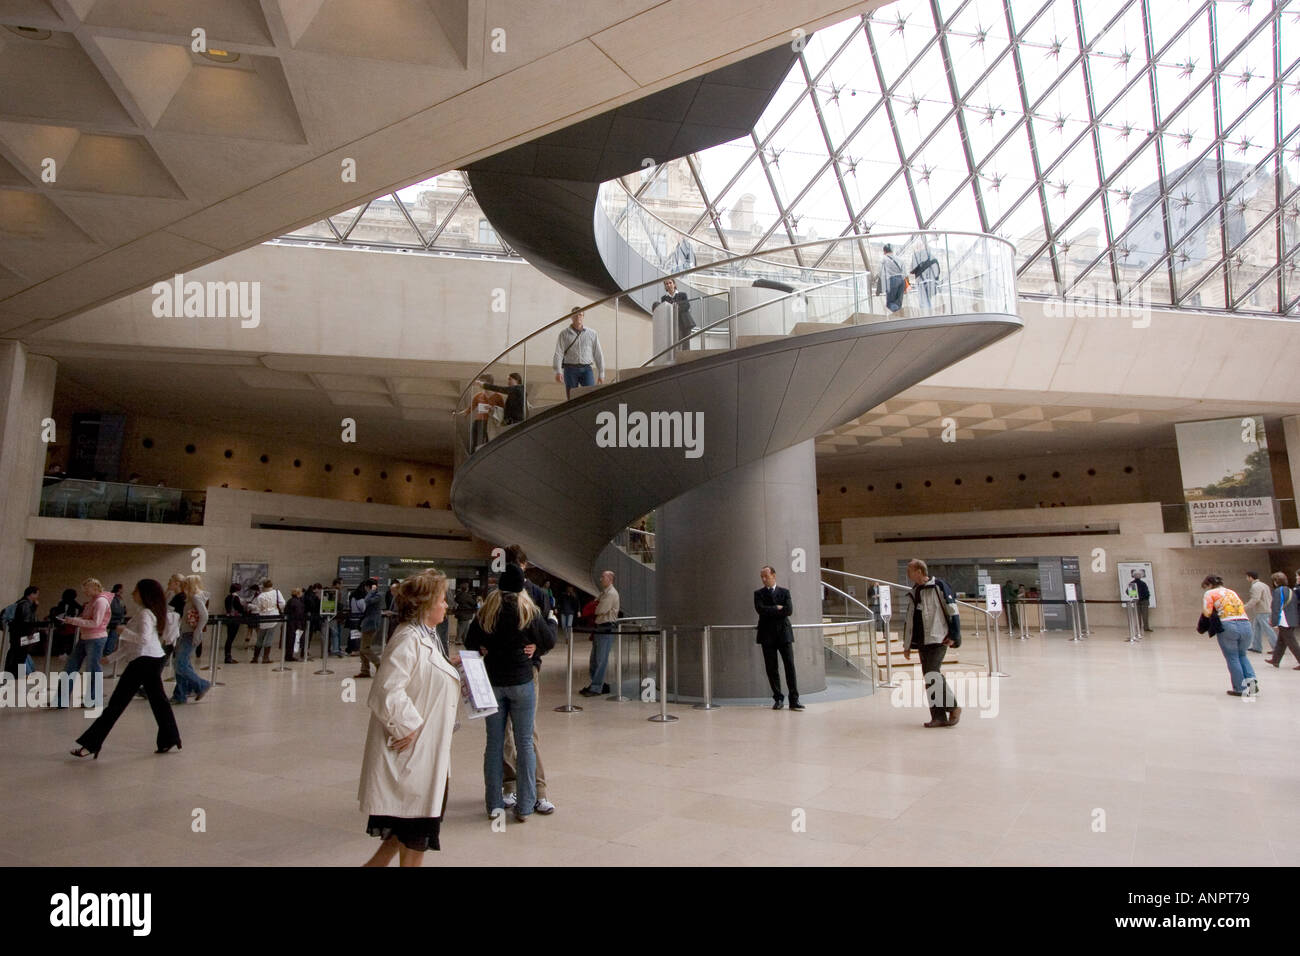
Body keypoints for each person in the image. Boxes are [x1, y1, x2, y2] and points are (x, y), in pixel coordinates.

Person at [358, 570, 461, 866]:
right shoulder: (407, 637)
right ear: (427, 604)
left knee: (406, 833)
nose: (446, 606)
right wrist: (408, 727)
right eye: (442, 600)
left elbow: (423, 673)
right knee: (416, 833)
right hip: (413, 755)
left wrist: (449, 666)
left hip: (426, 755)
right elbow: (386, 689)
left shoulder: (426, 635)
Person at [461, 564, 556, 822]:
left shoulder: (487, 612)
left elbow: (469, 641)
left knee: (494, 743)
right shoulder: (527, 611)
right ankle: (525, 806)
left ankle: (494, 804)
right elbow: (548, 641)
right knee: (525, 742)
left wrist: (483, 648)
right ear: (521, 587)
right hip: (522, 681)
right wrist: (535, 644)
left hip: (493, 683)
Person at [71, 579, 182, 759]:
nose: (132, 594)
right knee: (158, 701)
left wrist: (123, 631)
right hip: (152, 659)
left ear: (144, 594)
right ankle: (170, 738)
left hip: (144, 661)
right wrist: (111, 657)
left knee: (117, 704)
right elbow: (135, 644)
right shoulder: (147, 612)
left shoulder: (145, 614)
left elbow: (142, 640)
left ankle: (91, 744)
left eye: (136, 591)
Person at [500, 546, 556, 815]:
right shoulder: (536, 594)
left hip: (506, 672)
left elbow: (479, 634)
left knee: (508, 733)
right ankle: (534, 791)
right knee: (526, 733)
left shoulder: (499, 594)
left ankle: (512, 787)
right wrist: (539, 647)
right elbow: (548, 633)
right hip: (525, 670)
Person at [901, 558, 963, 727]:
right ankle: (938, 716)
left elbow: (952, 610)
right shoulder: (914, 591)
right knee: (929, 677)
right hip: (923, 641)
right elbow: (910, 620)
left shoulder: (938, 586)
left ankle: (953, 707)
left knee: (932, 673)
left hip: (939, 637)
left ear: (919, 571)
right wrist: (907, 645)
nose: (908, 573)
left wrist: (955, 635)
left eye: (910, 570)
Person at [55, 578, 112, 708]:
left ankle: (93, 699)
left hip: (95, 638)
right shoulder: (92, 601)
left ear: (95, 587)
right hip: (86, 637)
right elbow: (87, 619)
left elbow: (95, 623)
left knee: (92, 669)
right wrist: (72, 620)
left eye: (87, 588)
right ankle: (60, 700)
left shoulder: (100, 601)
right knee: (70, 667)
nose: (84, 591)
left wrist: (73, 621)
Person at [1200, 575, 1257, 696]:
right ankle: (1252, 687)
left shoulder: (1210, 593)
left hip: (1228, 625)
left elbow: (1207, 612)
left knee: (1232, 657)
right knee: (1242, 655)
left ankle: (1240, 689)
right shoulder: (1232, 592)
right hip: (1245, 623)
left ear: (1209, 585)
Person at [754, 565, 802, 711]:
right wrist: (777, 608)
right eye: (761, 577)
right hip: (767, 635)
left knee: (789, 666)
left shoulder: (784, 592)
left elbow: (789, 610)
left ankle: (794, 700)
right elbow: (760, 610)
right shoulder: (758, 593)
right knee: (771, 668)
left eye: (766, 576)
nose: (763, 579)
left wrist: (773, 610)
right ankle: (778, 698)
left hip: (784, 634)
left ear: (773, 575)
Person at [171, 575, 211, 703]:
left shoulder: (195, 597)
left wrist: (197, 631)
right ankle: (180, 694)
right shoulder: (193, 597)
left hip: (190, 633)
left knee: (180, 663)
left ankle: (201, 684)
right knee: (182, 662)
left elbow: (204, 615)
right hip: (186, 632)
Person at [579, 570, 619, 697]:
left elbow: (600, 609)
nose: (601, 579)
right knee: (594, 659)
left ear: (610, 579)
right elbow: (595, 605)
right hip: (599, 628)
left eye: (603, 577)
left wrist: (594, 607)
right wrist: (594, 606)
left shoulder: (611, 594)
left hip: (606, 628)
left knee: (601, 659)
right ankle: (597, 683)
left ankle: (597, 687)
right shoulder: (604, 593)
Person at [552, 307, 605, 398]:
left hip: (587, 369)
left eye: (580, 314)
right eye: (575, 314)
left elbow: (598, 353)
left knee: (590, 396)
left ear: (583, 316)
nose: (578, 317)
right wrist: (558, 371)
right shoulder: (564, 334)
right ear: (571, 317)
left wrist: (601, 373)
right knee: (571, 397)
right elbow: (559, 353)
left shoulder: (592, 333)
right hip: (570, 369)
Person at [3, 586, 43, 677]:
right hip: (22, 633)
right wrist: (29, 633)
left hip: (15, 632)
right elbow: (27, 620)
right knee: (21, 655)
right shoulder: (26, 605)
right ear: (32, 594)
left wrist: (35, 606)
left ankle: (11, 673)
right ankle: (17, 674)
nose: (37, 596)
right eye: (37, 594)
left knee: (15, 652)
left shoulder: (21, 603)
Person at [1265, 571, 1300, 668]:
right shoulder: (1290, 590)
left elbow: (1276, 607)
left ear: (1276, 582)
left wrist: (1274, 622)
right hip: (1292, 619)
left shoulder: (1278, 591)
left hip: (1284, 620)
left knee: (1291, 642)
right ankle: (1275, 660)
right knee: (1281, 641)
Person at [354, 579, 384, 679]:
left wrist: (371, 591)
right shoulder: (373, 594)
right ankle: (365, 670)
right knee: (362, 648)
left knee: (364, 648)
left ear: (368, 587)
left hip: (371, 624)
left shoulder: (378, 595)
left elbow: (366, 601)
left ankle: (379, 664)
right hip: (366, 624)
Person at [468, 374, 505, 453]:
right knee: (475, 443)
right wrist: (459, 414)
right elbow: (469, 409)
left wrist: (492, 409)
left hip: (490, 423)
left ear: (489, 383)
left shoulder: (498, 396)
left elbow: (503, 412)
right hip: (478, 422)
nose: (480, 384)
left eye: (482, 382)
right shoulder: (478, 396)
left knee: (488, 444)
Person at [252, 579, 285, 663]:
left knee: (260, 638)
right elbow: (282, 603)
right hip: (273, 617)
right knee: (269, 637)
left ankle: (255, 658)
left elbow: (257, 607)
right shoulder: (276, 592)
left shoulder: (260, 596)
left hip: (263, 618)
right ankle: (265, 658)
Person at [1244, 571, 1276, 654]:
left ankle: (1276, 648)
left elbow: (1255, 599)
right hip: (1264, 610)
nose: (1246, 579)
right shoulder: (1264, 585)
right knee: (1256, 629)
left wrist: (1244, 607)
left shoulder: (1255, 586)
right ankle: (1256, 647)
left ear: (1250, 577)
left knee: (1268, 629)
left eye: (1247, 577)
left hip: (1262, 611)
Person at [660, 277, 696, 343]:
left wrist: (675, 309)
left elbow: (686, 306)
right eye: (666, 284)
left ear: (674, 284)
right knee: (675, 343)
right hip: (672, 323)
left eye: (670, 283)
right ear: (665, 287)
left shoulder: (682, 295)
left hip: (684, 323)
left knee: (685, 343)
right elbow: (664, 310)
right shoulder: (663, 298)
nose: (669, 285)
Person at [48, 588, 82, 657]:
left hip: (63, 623)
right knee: (70, 639)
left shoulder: (62, 603)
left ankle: (61, 651)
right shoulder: (75, 604)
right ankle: (67, 652)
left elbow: (59, 613)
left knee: (62, 639)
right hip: (71, 624)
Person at [880, 243, 907, 313]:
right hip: (901, 281)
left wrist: (881, 288)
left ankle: (895, 314)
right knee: (898, 302)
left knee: (890, 303)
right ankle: (898, 315)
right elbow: (905, 273)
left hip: (892, 281)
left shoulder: (884, 259)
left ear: (884, 251)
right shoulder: (899, 259)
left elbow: (881, 274)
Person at [223, 584, 244, 664]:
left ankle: (227, 656)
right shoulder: (236, 598)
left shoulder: (227, 597)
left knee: (229, 638)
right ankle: (228, 657)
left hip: (229, 618)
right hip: (235, 619)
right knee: (231, 638)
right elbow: (240, 608)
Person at [285, 587, 308, 661]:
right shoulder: (297, 602)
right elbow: (299, 614)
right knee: (295, 640)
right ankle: (291, 656)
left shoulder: (290, 600)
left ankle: (289, 655)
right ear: (298, 594)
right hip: (296, 623)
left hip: (290, 623)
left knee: (290, 640)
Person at [105, 584, 126, 657]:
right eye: (122, 588)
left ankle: (108, 651)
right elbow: (115, 609)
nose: (123, 590)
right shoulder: (113, 597)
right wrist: (122, 612)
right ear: (119, 589)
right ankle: (107, 652)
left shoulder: (118, 598)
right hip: (113, 620)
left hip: (115, 619)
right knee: (113, 636)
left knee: (113, 636)